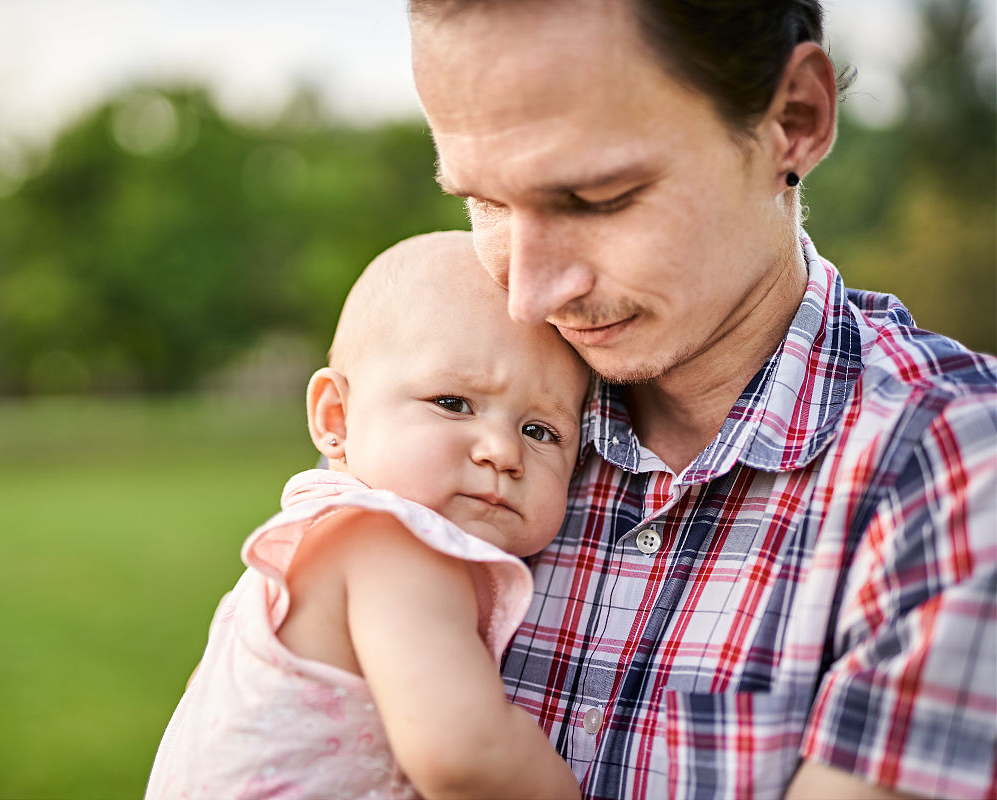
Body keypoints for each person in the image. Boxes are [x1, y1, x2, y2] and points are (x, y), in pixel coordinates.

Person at [409, 1, 996, 799]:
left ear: (795, 119)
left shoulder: (957, 472)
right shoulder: (446, 408)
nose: (532, 293)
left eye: (598, 197)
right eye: (485, 203)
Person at [144, 231, 589, 799]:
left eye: (540, 431)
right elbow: (465, 757)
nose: (502, 452)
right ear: (337, 417)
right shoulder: (393, 544)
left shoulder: (314, 539)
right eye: (453, 403)